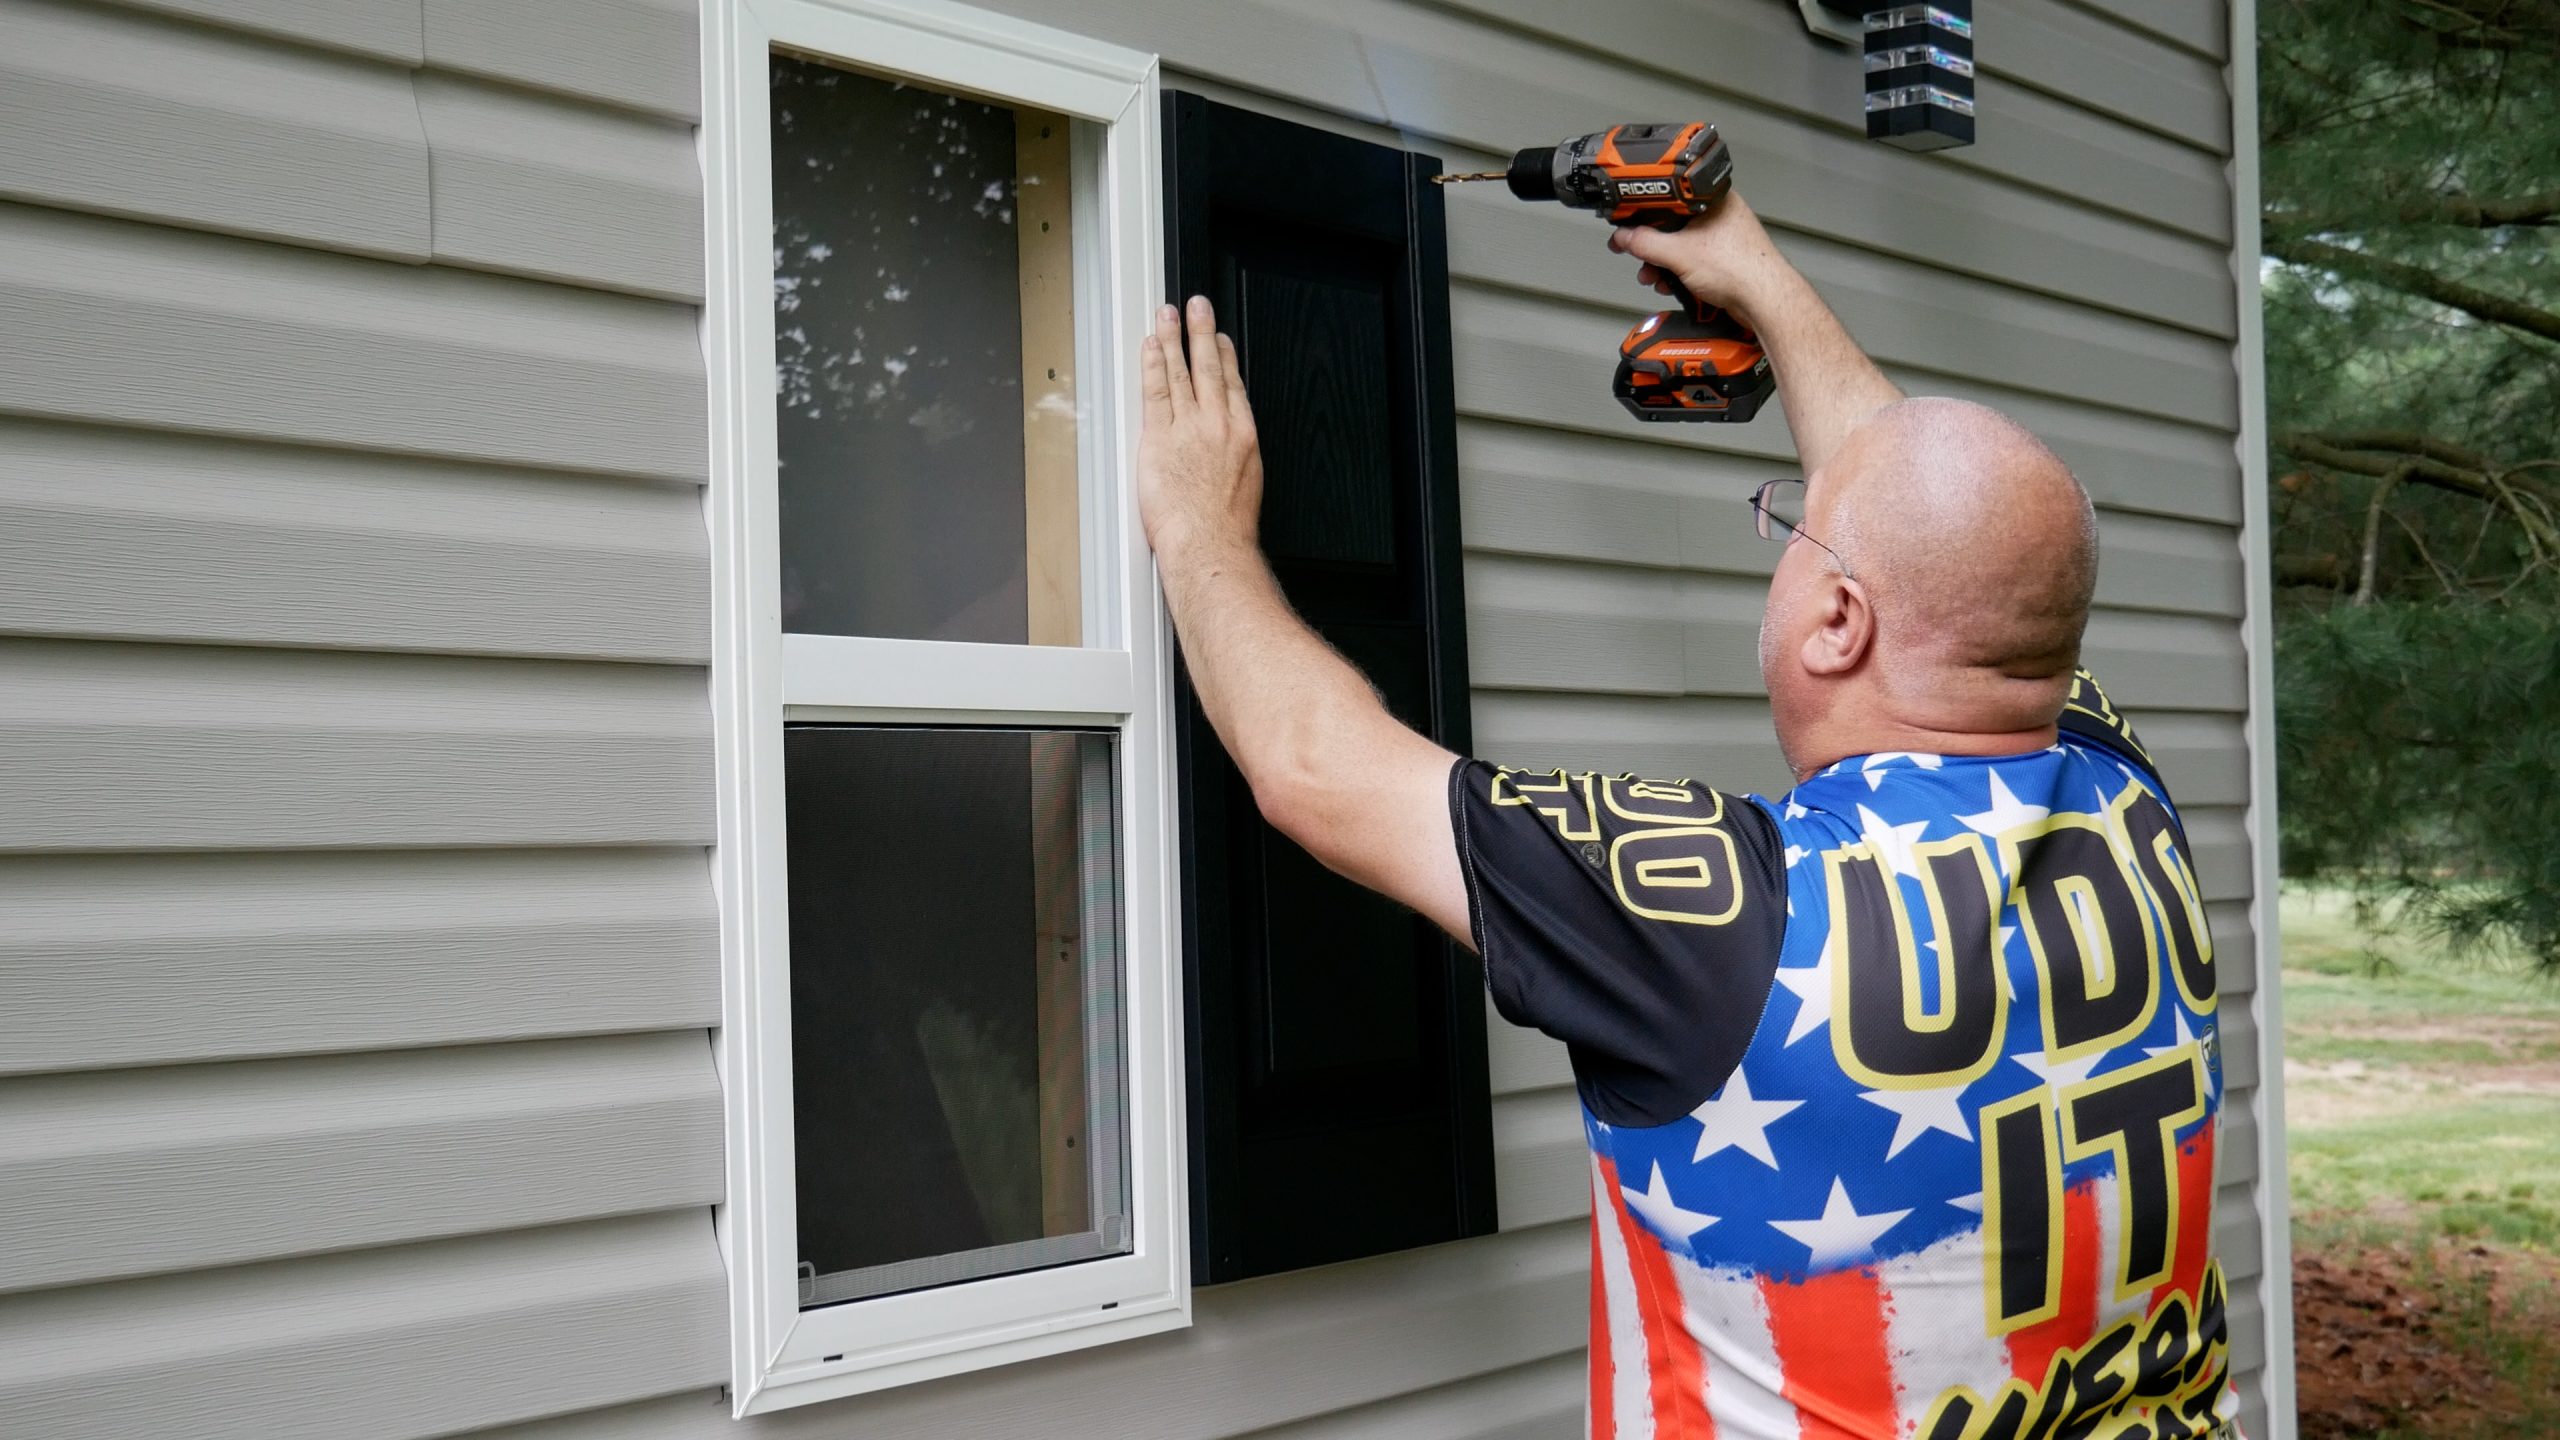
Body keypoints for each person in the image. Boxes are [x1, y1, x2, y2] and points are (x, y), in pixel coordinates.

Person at [1136, 193, 2240, 1440]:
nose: (1784, 545)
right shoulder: (2121, 791)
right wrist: (1754, 273)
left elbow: (1313, 767)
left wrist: (1197, 525)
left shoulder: (1733, 916)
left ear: (1839, 620)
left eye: (1791, 530)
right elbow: (1944, 532)